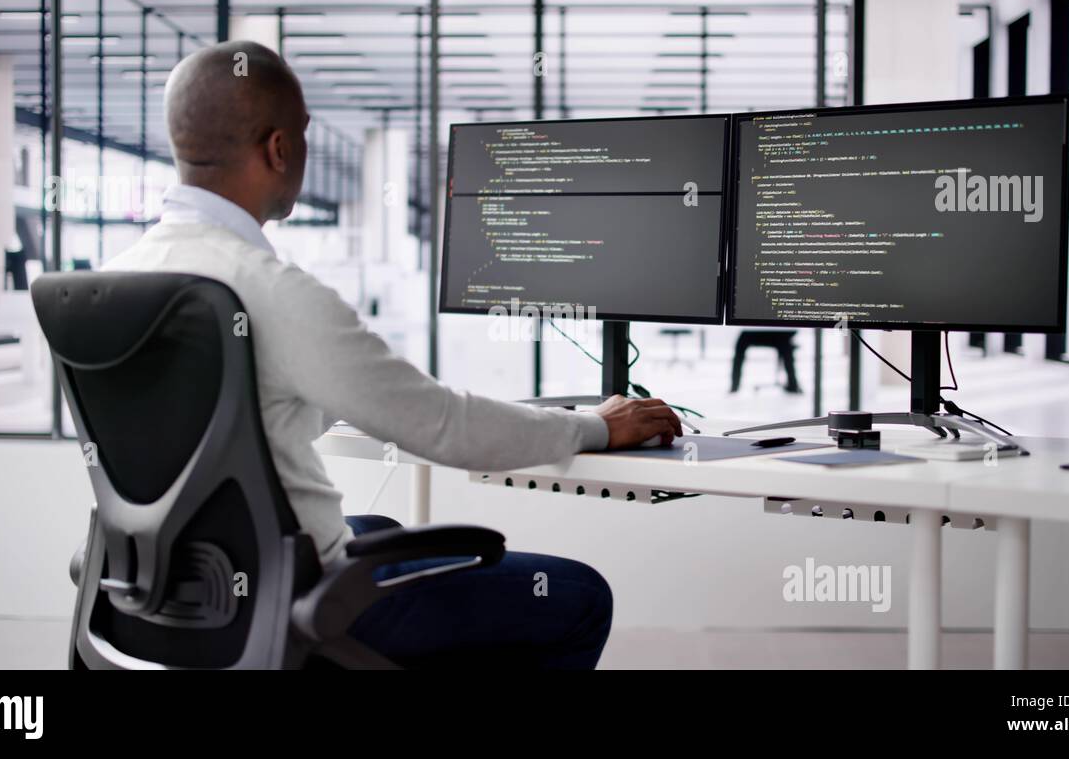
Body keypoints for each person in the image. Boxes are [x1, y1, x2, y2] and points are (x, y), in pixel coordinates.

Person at [104, 41, 683, 669]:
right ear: (278, 148)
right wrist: (598, 426)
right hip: (295, 602)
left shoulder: (112, 282)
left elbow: (216, 419)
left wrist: (332, 395)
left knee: (377, 526)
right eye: (301, 134)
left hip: (171, 590)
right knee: (581, 596)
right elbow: (444, 427)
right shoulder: (270, 289)